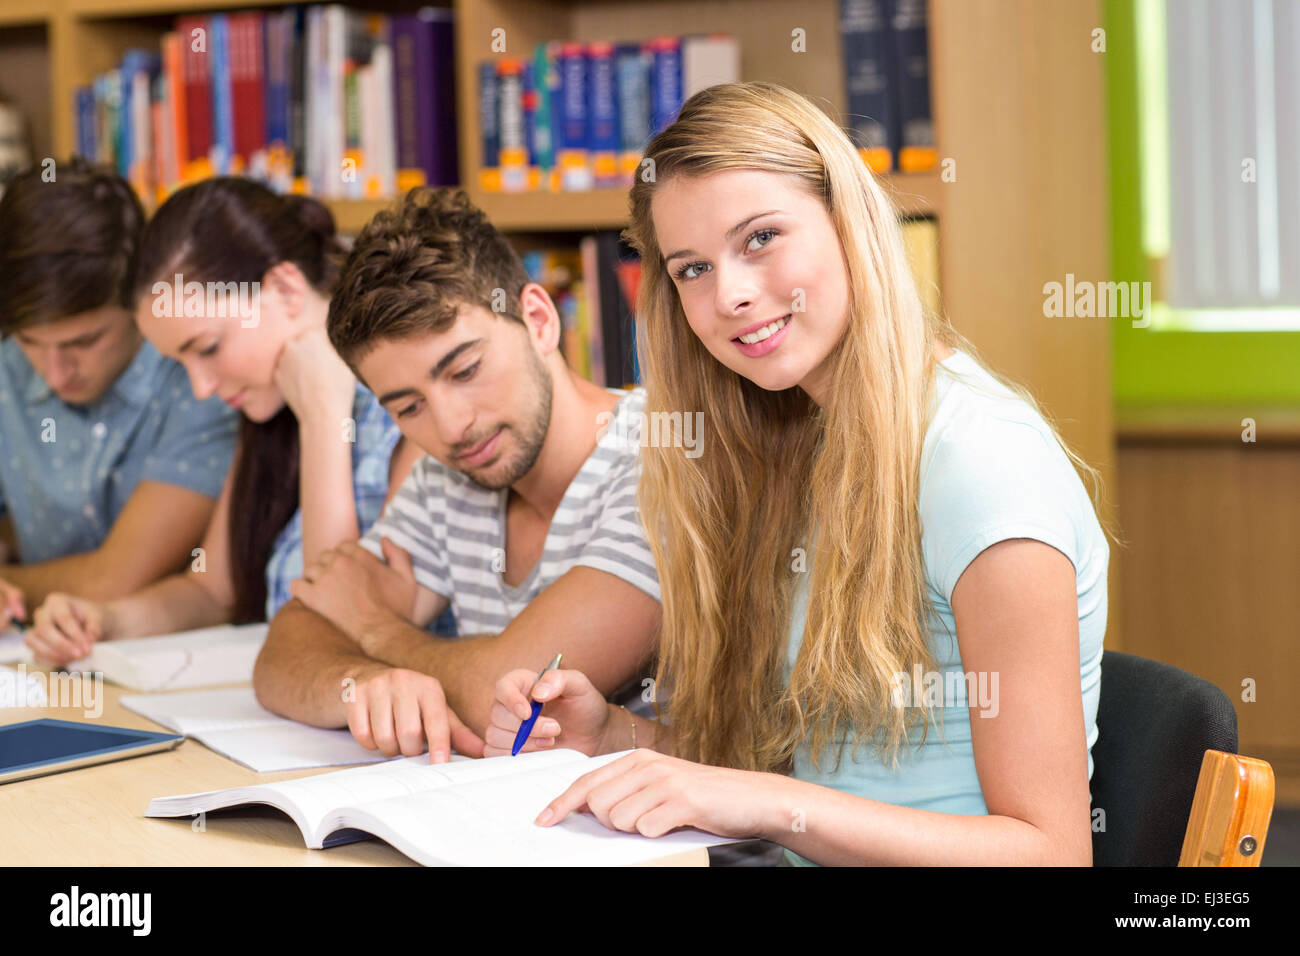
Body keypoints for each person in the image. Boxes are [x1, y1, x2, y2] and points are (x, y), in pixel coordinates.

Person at [483, 82, 1110, 866]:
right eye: (691, 270)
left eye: (760, 238)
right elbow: (822, 770)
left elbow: (1049, 854)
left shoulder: (981, 462)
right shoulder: (794, 442)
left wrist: (773, 806)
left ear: (848, 222)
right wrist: (614, 736)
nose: (733, 295)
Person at [252, 187, 662, 763]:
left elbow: (515, 690)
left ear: (540, 321)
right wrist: (362, 685)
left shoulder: (663, 460)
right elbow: (287, 645)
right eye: (408, 406)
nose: (451, 428)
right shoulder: (445, 480)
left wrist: (374, 631)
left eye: (465, 369)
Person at [24, 177, 448, 664]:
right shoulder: (269, 407)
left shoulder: (412, 406)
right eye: (182, 365)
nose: (202, 388)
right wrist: (104, 620)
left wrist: (325, 421)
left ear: (286, 289)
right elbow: (211, 592)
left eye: (207, 348)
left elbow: (345, 629)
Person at [0, 159, 236, 624]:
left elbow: (115, 581)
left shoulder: (200, 377)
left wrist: (12, 584)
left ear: (139, 302)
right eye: (30, 342)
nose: (54, 372)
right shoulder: (7, 362)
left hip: (166, 660)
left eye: (84, 342)